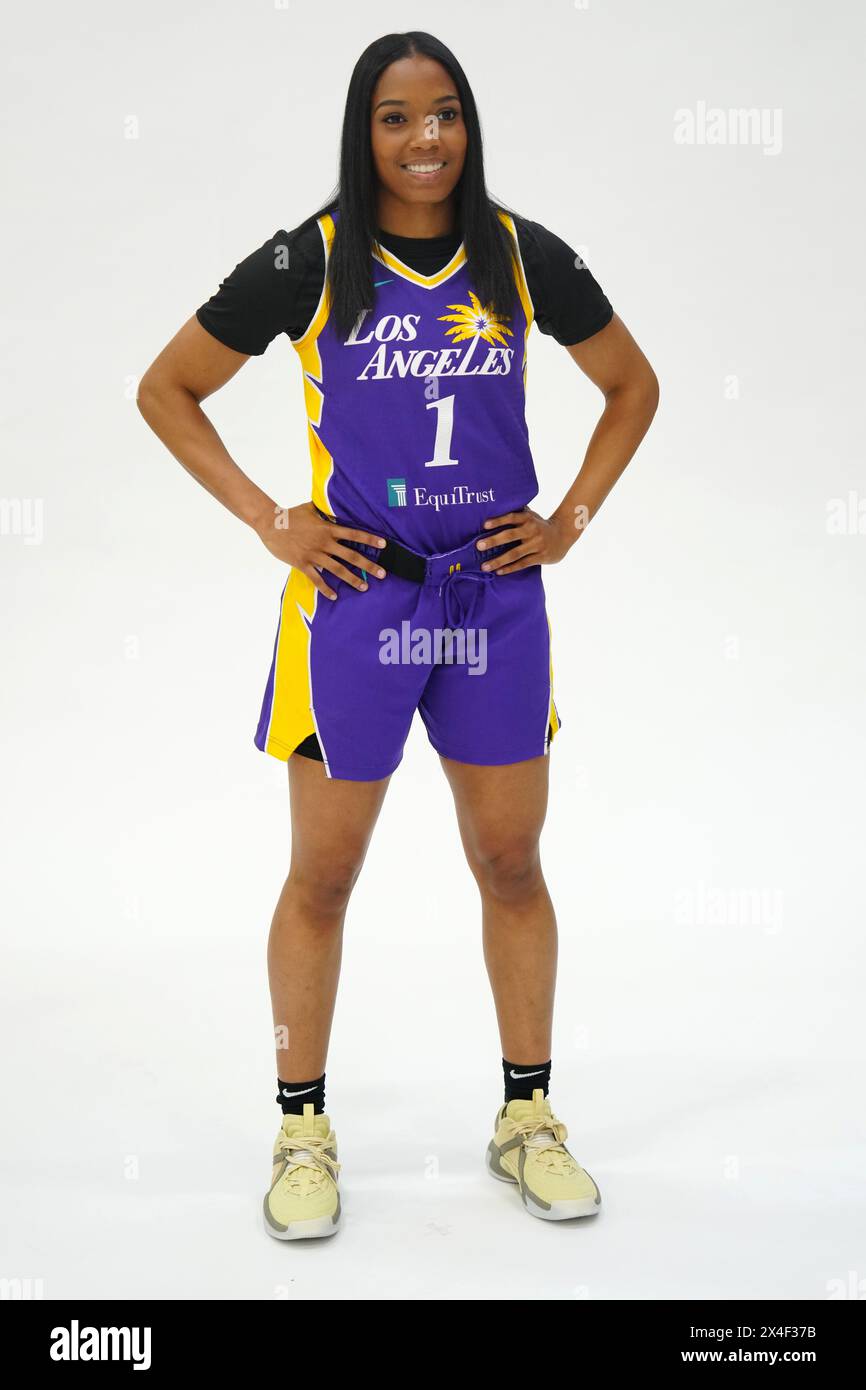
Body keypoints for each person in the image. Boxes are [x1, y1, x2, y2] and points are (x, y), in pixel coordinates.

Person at [137, 30, 659, 1241]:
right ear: (361, 131)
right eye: (394, 116)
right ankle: (302, 1127)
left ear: (467, 125)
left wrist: (568, 522)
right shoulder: (308, 260)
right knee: (323, 875)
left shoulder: (520, 257)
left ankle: (524, 1118)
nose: (422, 138)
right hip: (356, 608)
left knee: (511, 864)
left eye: (442, 114)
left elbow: (632, 384)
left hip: (493, 602)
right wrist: (276, 521)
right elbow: (168, 387)